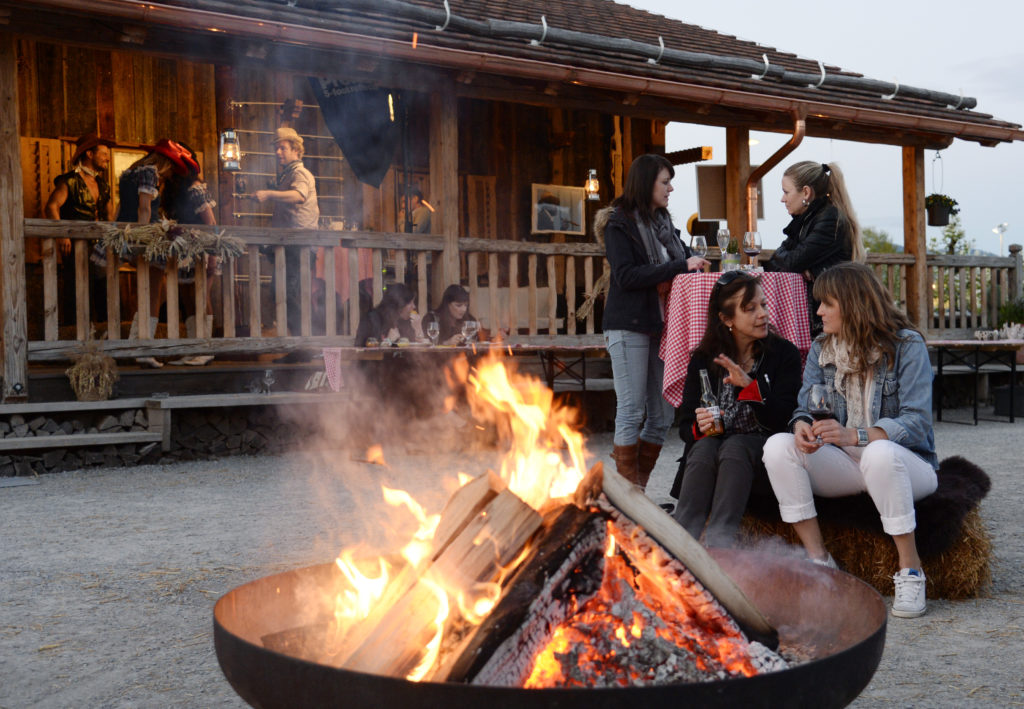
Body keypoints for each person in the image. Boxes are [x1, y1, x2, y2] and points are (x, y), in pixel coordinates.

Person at [761, 262, 938, 619]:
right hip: (845, 465)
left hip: (904, 463)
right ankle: (821, 563)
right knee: (778, 446)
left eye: (826, 303)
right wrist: (803, 427)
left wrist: (854, 435)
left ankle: (910, 570)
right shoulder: (822, 349)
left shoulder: (907, 345)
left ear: (853, 303)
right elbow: (804, 407)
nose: (819, 311)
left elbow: (916, 422)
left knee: (880, 452)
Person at [597, 153, 710, 488]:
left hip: (663, 328)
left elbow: (684, 260)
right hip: (627, 324)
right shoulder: (619, 224)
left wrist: (695, 264)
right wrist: (680, 267)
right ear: (646, 183)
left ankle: (638, 493)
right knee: (631, 411)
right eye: (665, 181)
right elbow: (627, 276)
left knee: (661, 417)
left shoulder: (664, 226)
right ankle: (626, 504)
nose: (671, 188)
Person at [672, 271, 801, 547]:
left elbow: (784, 420)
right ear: (727, 319)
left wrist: (749, 388)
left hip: (762, 449)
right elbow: (685, 427)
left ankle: (719, 544)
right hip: (715, 450)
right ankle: (679, 545)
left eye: (764, 305)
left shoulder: (783, 354)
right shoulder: (705, 358)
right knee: (705, 446)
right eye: (750, 309)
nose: (763, 314)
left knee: (736, 446)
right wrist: (700, 427)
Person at [102, 138, 199, 367]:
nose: (169, 175)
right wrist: (145, 238)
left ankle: (138, 345)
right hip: (148, 236)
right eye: (171, 169)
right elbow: (144, 208)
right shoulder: (150, 173)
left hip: (127, 231)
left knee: (147, 290)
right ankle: (142, 347)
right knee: (152, 292)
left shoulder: (128, 173)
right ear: (166, 162)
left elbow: (120, 208)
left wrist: (118, 233)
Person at [763, 160, 865, 336]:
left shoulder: (830, 218)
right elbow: (774, 263)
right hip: (816, 313)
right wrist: (800, 265)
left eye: (786, 192)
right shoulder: (806, 220)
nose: (782, 199)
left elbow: (790, 262)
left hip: (832, 316)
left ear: (806, 192)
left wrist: (799, 264)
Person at [44, 133, 116, 328]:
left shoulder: (103, 185)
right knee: (78, 294)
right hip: (77, 247)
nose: (107, 158)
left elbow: (110, 218)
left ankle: (104, 341)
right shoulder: (69, 181)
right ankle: (75, 342)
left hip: (101, 249)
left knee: (104, 293)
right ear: (89, 154)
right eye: (103, 154)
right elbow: (51, 207)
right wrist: (62, 235)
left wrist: (114, 245)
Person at [255, 126, 320, 338]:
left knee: (288, 294)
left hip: (298, 246)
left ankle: (304, 345)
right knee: (282, 293)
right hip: (291, 245)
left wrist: (269, 194)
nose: (278, 153)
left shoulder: (300, 173)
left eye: (282, 148)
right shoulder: (288, 174)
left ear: (296, 150)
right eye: (276, 148)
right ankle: (299, 344)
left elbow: (299, 196)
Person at [162, 143, 217, 366]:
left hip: (203, 249)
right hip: (184, 250)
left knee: (201, 296)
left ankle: (206, 348)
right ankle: (194, 348)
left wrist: (213, 254)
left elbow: (211, 223)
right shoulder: (173, 190)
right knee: (187, 299)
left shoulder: (195, 188)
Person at [354, 283, 424, 346]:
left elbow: (416, 354)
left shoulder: (406, 322)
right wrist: (388, 341)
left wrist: (418, 330)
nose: (414, 306)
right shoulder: (371, 320)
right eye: (409, 303)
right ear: (398, 305)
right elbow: (360, 352)